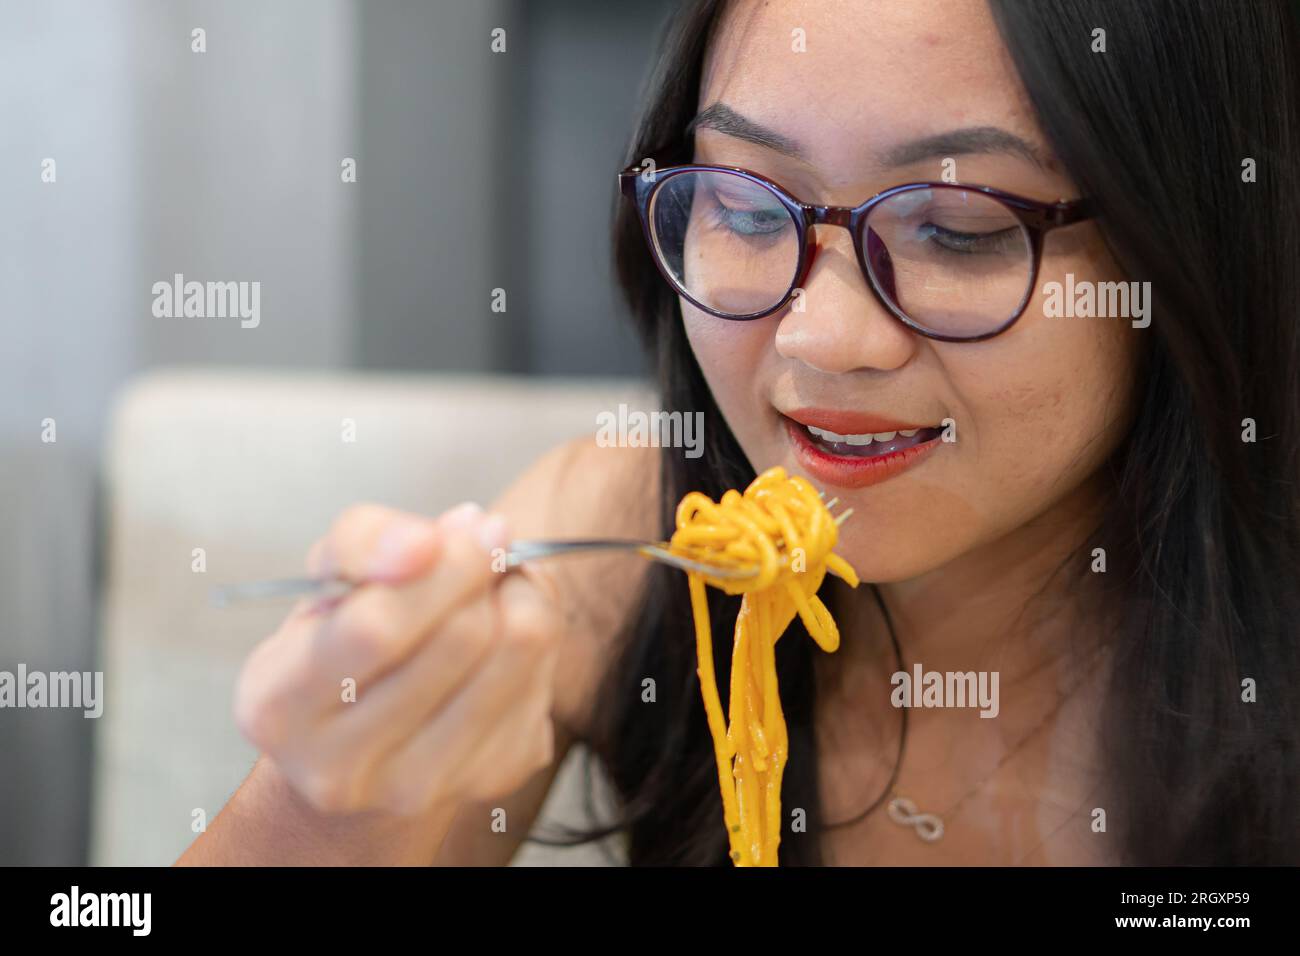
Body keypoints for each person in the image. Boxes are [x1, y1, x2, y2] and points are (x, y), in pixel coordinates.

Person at [178, 0, 1300, 866]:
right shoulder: (626, 538)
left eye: (957, 229)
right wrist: (328, 795)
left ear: (1183, 242)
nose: (821, 336)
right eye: (750, 208)